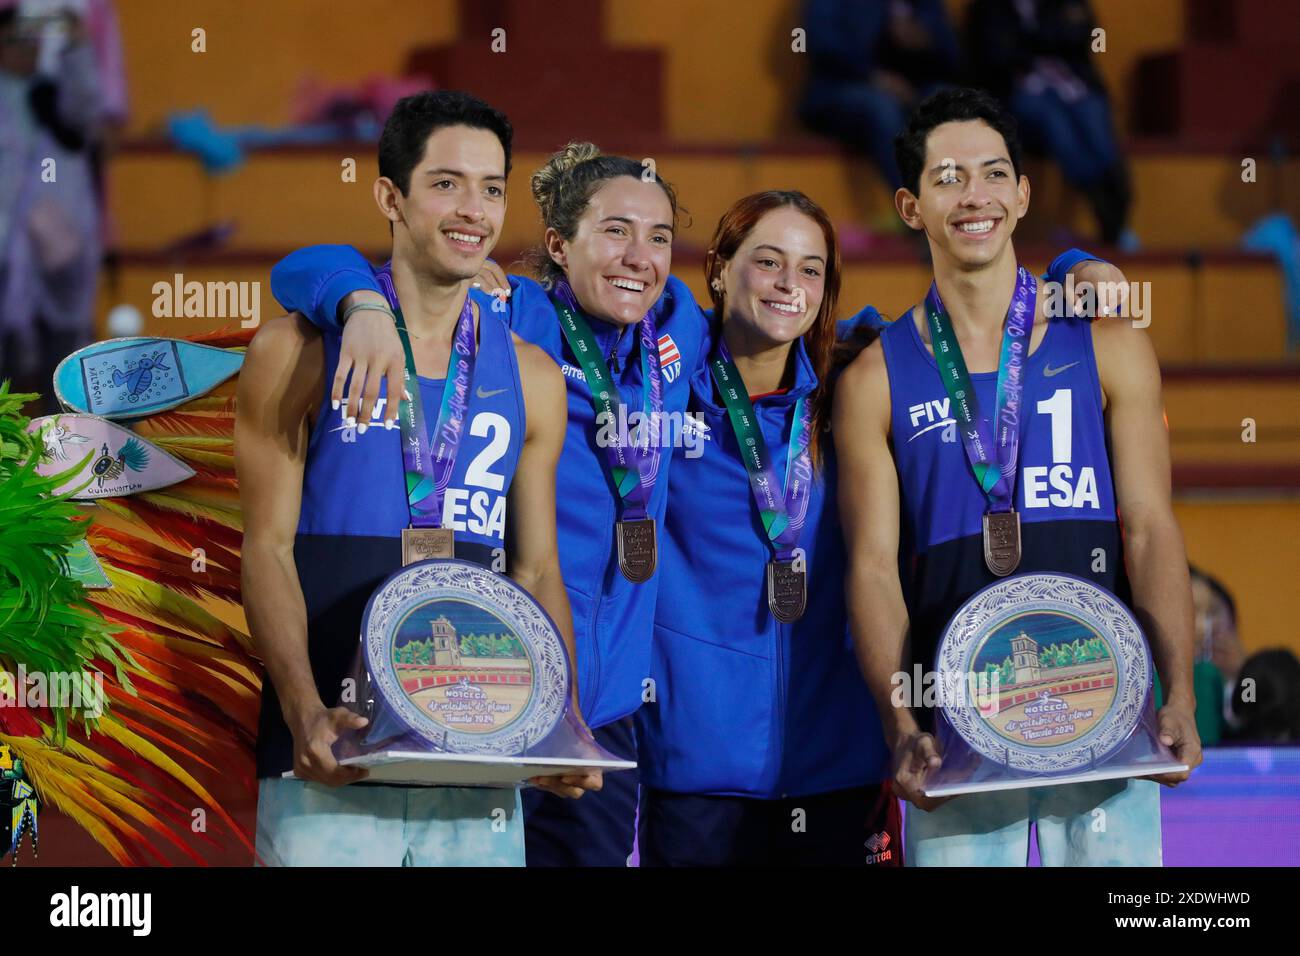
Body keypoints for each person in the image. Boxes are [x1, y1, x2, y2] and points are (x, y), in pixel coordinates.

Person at [268, 142, 706, 866]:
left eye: (659, 236)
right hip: (479, 701)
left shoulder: (680, 335)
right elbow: (303, 267)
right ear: (559, 246)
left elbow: (785, 323)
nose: (640, 255)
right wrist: (365, 304)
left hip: (592, 724)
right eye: (615, 231)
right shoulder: (509, 319)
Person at [836, 87, 1202, 867]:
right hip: (958, 733)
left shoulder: (1106, 341)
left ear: (1024, 192)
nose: (976, 196)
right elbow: (872, 567)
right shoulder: (876, 376)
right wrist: (902, 724)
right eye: (949, 178)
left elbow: (1150, 526)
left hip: (1107, 708)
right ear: (910, 204)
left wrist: (1178, 692)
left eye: (995, 173)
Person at [237, 90, 589, 866]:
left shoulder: (533, 378)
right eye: (446, 183)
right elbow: (265, 548)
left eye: (492, 188)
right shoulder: (296, 353)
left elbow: (535, 570)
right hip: (331, 757)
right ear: (389, 197)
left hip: (478, 767)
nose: (474, 209)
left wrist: (563, 716)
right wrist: (301, 712)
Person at [635, 190, 900, 866]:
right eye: (768, 262)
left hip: (844, 767)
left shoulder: (854, 388)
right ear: (719, 269)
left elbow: (973, 324)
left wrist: (1076, 270)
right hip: (700, 775)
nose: (791, 286)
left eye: (811, 269)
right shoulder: (655, 389)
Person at [965, 0, 1132, 245]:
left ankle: (1111, 199)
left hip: (1072, 85)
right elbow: (996, 56)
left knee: (1095, 120)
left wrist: (1033, 40)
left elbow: (1087, 35)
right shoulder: (990, 7)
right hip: (1020, 91)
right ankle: (1103, 196)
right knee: (1054, 123)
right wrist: (1052, 36)